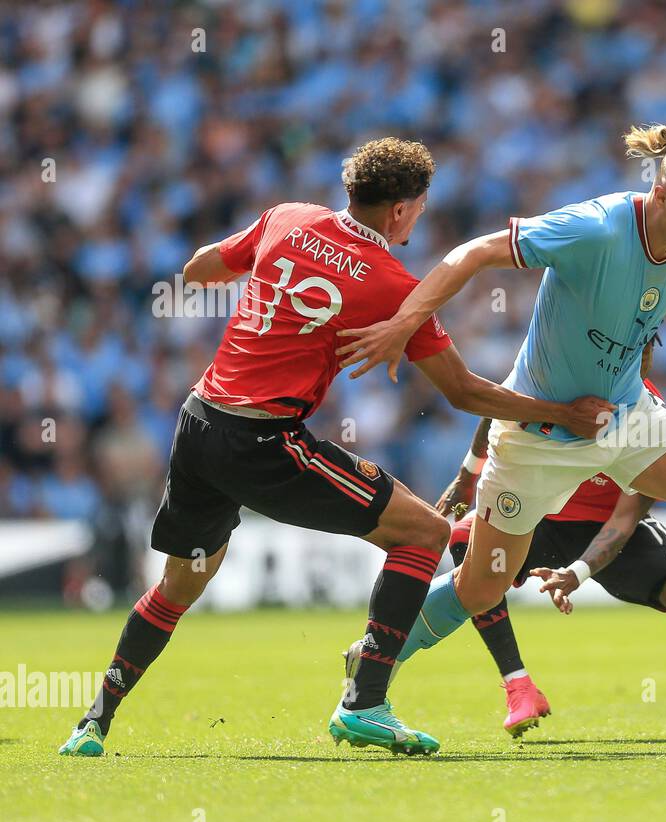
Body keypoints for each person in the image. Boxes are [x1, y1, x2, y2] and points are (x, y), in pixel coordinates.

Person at [58, 138, 610, 758]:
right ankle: (365, 703)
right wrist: (562, 414)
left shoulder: (287, 217)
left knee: (177, 588)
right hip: (265, 441)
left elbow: (197, 270)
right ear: (401, 210)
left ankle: (93, 723)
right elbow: (463, 392)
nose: (419, 219)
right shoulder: (393, 286)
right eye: (420, 208)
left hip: (199, 423)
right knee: (424, 534)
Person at [336, 124, 666, 726]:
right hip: (538, 435)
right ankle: (375, 661)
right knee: (480, 589)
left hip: (625, 419)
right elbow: (472, 253)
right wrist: (402, 323)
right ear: (662, 193)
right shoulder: (592, 228)